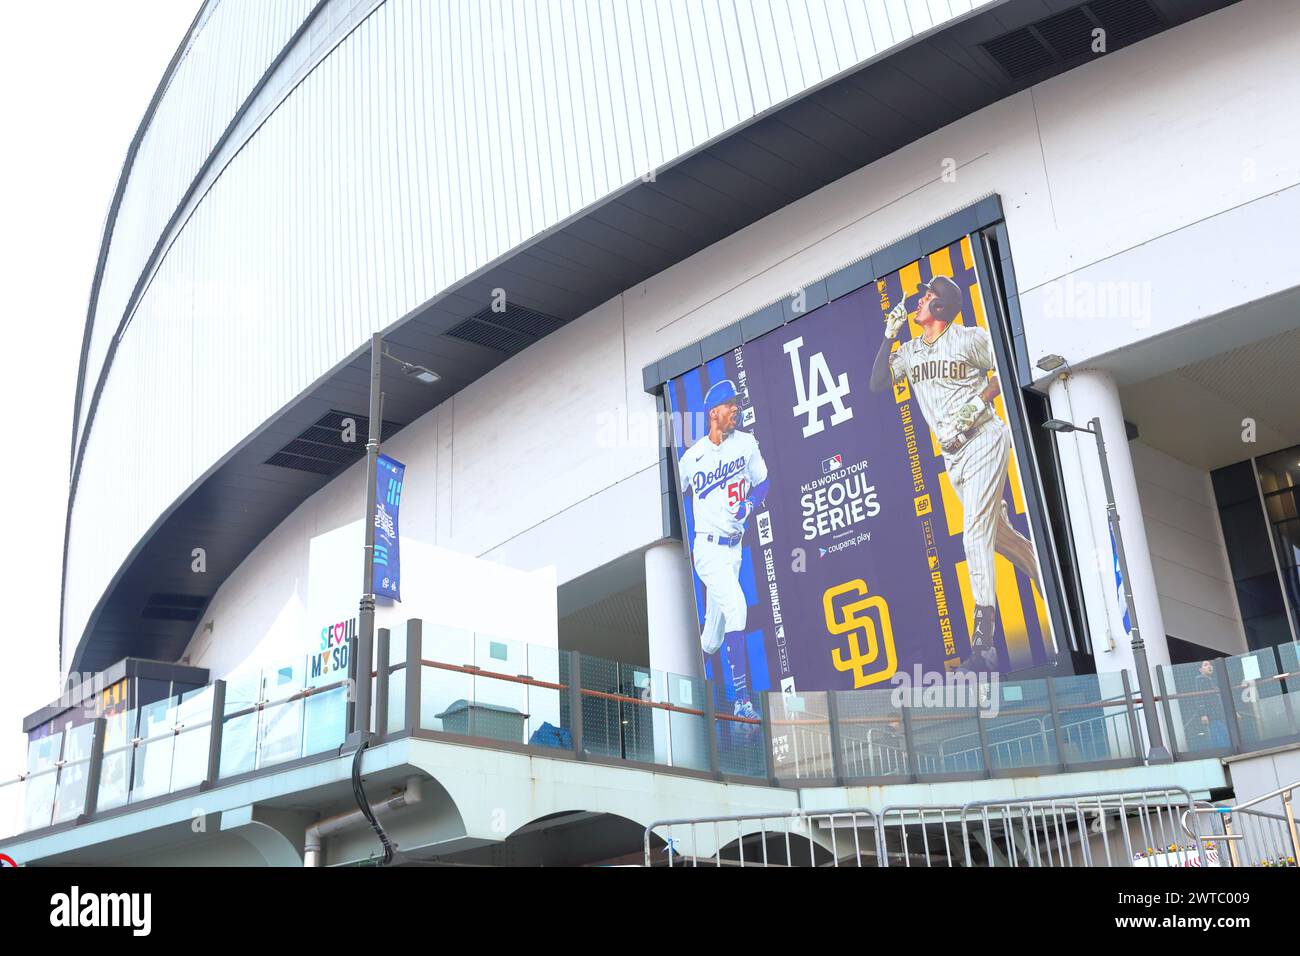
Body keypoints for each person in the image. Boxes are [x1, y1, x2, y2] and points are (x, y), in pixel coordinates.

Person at [869, 274, 1039, 673]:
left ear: (941, 308)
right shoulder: (910, 351)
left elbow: (1007, 364)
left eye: (927, 296)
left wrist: (979, 402)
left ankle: (984, 646)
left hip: (983, 437)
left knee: (972, 535)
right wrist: (888, 336)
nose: (920, 301)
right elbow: (877, 383)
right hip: (954, 455)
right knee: (997, 537)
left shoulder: (969, 339)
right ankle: (1048, 579)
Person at [679, 379, 769, 716]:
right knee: (737, 608)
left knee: (712, 640)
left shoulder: (746, 444)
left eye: (737, 403)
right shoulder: (692, 458)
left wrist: (750, 505)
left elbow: (764, 482)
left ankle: (687, 671)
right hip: (708, 549)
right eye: (730, 404)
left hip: (734, 550)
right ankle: (742, 701)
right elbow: (674, 491)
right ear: (713, 412)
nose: (736, 409)